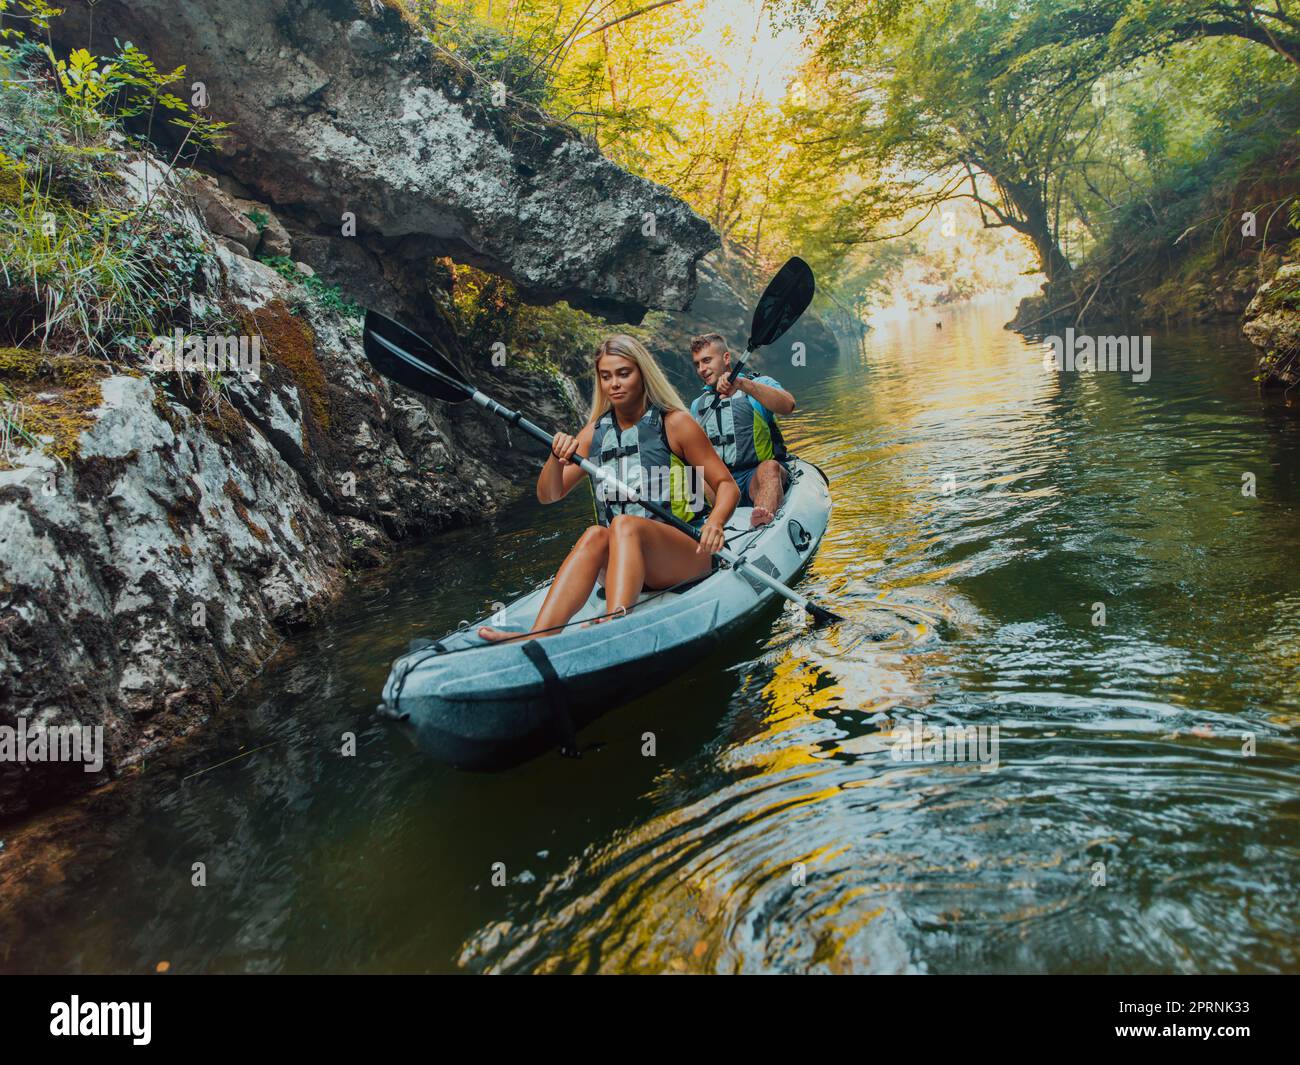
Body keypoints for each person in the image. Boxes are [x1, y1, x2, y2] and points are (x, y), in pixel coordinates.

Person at [477, 334, 739, 642]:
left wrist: (715, 522)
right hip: (627, 564)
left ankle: (614, 623)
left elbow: (726, 486)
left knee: (625, 525)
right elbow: (549, 495)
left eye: (623, 373)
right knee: (595, 534)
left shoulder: (676, 423)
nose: (614, 383)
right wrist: (555, 457)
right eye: (606, 376)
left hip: (686, 553)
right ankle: (537, 636)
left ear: (642, 374)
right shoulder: (595, 433)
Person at [688, 332, 796, 527]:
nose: (702, 369)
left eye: (706, 360)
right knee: (692, 472)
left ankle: (762, 524)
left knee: (769, 467)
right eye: (697, 364)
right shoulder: (698, 405)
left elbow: (788, 405)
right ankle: (703, 528)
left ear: (726, 358)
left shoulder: (757, 385)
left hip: (757, 476)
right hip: (722, 484)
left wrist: (743, 384)